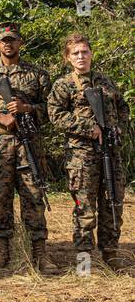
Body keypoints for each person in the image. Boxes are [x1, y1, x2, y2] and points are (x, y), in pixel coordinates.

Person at [0, 22, 56, 271]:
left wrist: (27, 109)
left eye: (13, 40)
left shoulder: (38, 74)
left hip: (29, 144)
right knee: (0, 197)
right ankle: (0, 250)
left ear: (20, 43)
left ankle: (39, 253)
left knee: (34, 196)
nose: (8, 43)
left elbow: (52, 109)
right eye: (4, 40)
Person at [48, 33, 129, 268]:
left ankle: (111, 255)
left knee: (112, 202)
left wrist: (118, 129)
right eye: (76, 53)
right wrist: (88, 127)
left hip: (111, 153)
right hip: (82, 157)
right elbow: (55, 115)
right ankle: (84, 260)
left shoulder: (105, 81)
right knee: (84, 209)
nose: (81, 56)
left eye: (84, 51)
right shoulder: (64, 84)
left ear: (91, 54)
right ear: (68, 58)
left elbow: (122, 107)